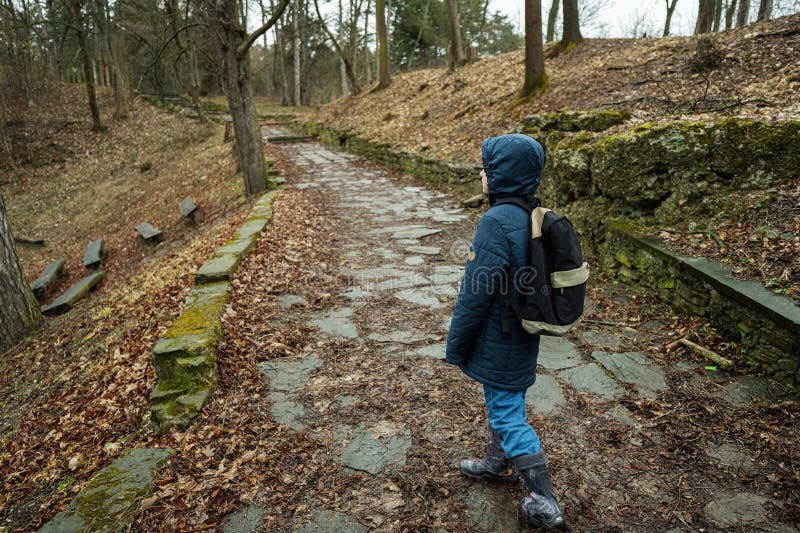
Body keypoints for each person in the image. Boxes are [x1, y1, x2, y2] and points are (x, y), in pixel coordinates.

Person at [445, 133, 565, 529]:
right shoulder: (529, 214)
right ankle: (498, 464)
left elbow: (474, 294)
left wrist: (456, 343)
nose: (481, 172)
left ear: (501, 173)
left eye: (487, 166)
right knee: (505, 402)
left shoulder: (496, 221)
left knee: (509, 414)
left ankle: (544, 501)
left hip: (500, 338)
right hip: (520, 335)